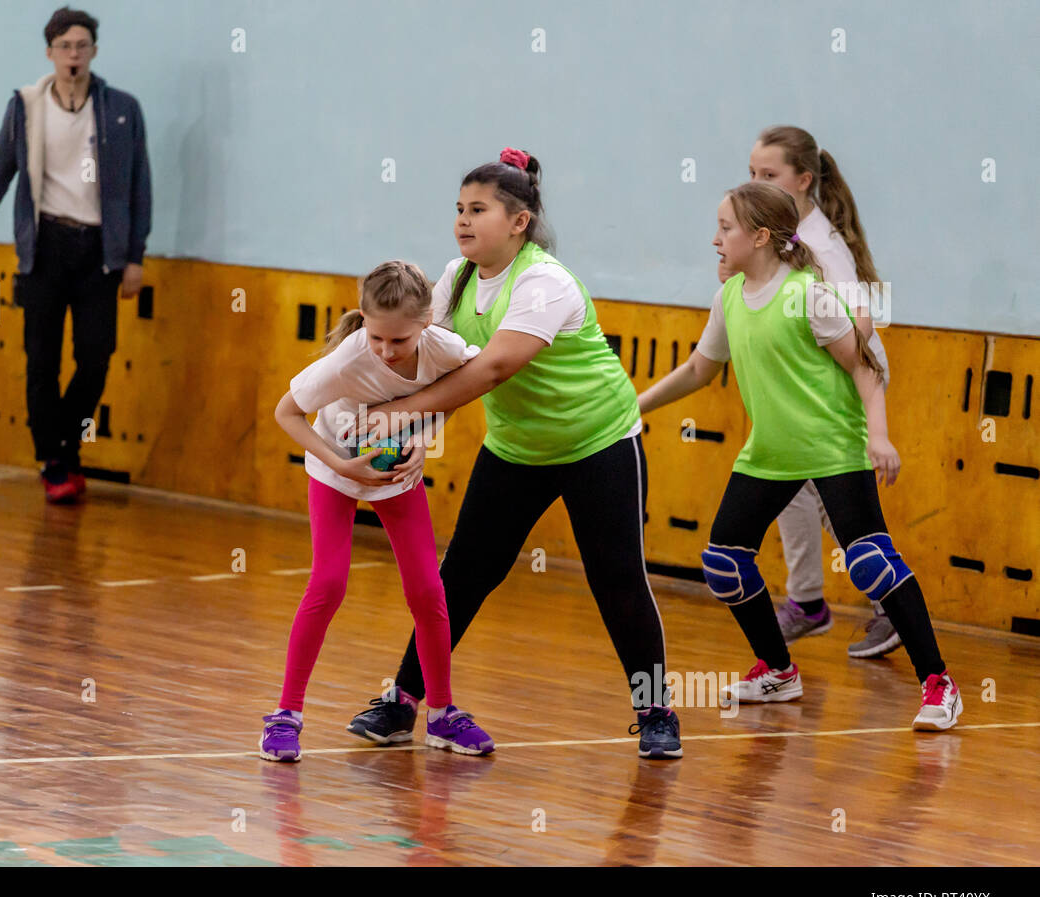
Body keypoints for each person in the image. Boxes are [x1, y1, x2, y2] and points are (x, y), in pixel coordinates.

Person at [344, 149, 682, 760]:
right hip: (517, 448)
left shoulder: (544, 282)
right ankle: (402, 702)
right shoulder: (456, 278)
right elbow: (439, 369)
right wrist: (420, 432)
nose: (463, 221)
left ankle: (656, 710)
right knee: (463, 574)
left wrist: (401, 416)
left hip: (598, 442)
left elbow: (494, 367)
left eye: (478, 210)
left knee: (618, 580)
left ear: (519, 221)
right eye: (458, 210)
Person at [637, 182, 961, 731]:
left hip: (834, 445)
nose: (714, 239)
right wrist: (630, 406)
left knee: (870, 562)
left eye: (726, 229)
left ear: (761, 236)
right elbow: (698, 370)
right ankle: (779, 671)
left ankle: (938, 683)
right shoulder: (730, 297)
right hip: (771, 450)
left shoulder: (808, 293)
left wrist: (877, 437)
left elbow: (864, 366)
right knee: (724, 561)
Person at [262, 260, 495, 762]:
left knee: (429, 590)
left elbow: (465, 385)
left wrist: (424, 440)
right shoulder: (346, 363)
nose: (387, 352)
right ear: (363, 322)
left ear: (427, 322)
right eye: (377, 339)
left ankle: (441, 716)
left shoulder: (445, 348)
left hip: (396, 476)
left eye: (400, 342)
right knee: (328, 584)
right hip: (336, 470)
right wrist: (342, 465)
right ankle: (285, 717)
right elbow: (286, 413)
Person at [0, 6, 151, 504]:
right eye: (64, 47)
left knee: (96, 357)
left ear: (94, 52)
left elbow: (138, 186)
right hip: (45, 248)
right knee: (41, 360)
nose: (73, 55)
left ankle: (60, 447)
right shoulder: (27, 107)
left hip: (101, 251)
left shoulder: (121, 109)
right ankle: (55, 459)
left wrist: (135, 255)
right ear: (49, 53)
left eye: (81, 46)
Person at [742, 126, 898, 657]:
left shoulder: (823, 244)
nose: (757, 183)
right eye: (752, 174)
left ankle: (890, 607)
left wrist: (844, 376)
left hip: (846, 379)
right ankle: (809, 601)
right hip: (808, 384)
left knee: (839, 500)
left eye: (770, 175)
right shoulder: (780, 232)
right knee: (794, 490)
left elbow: (862, 324)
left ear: (804, 180)